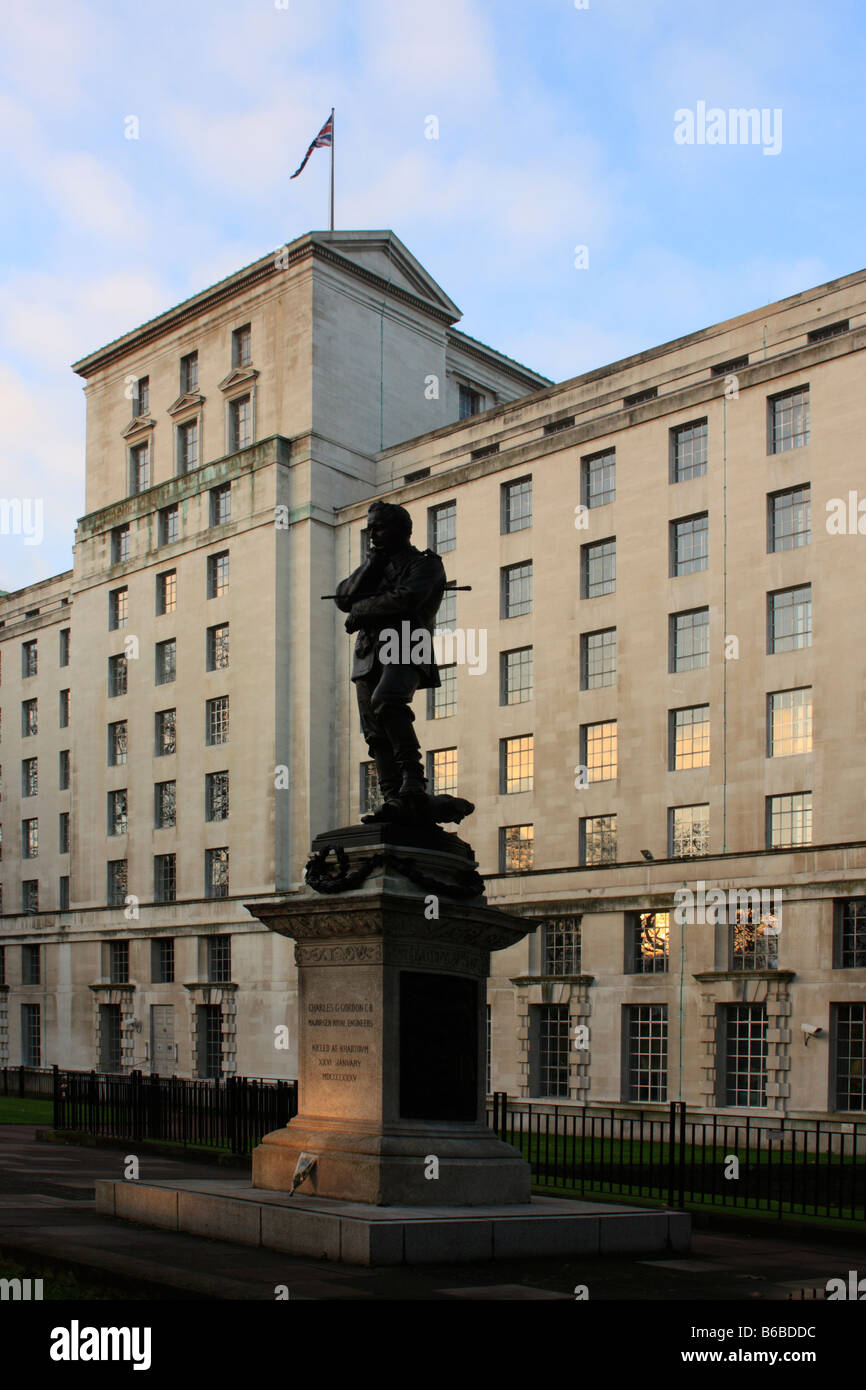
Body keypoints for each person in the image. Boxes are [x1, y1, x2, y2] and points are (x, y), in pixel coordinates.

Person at [336, 500, 446, 822]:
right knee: (373, 730)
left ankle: (414, 778)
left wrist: (363, 609)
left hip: (407, 644)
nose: (373, 534)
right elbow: (344, 598)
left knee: (388, 701)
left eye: (379, 527)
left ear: (402, 530)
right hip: (368, 654)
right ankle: (392, 796)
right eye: (370, 529)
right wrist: (371, 566)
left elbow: (406, 599)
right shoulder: (375, 568)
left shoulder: (425, 564)